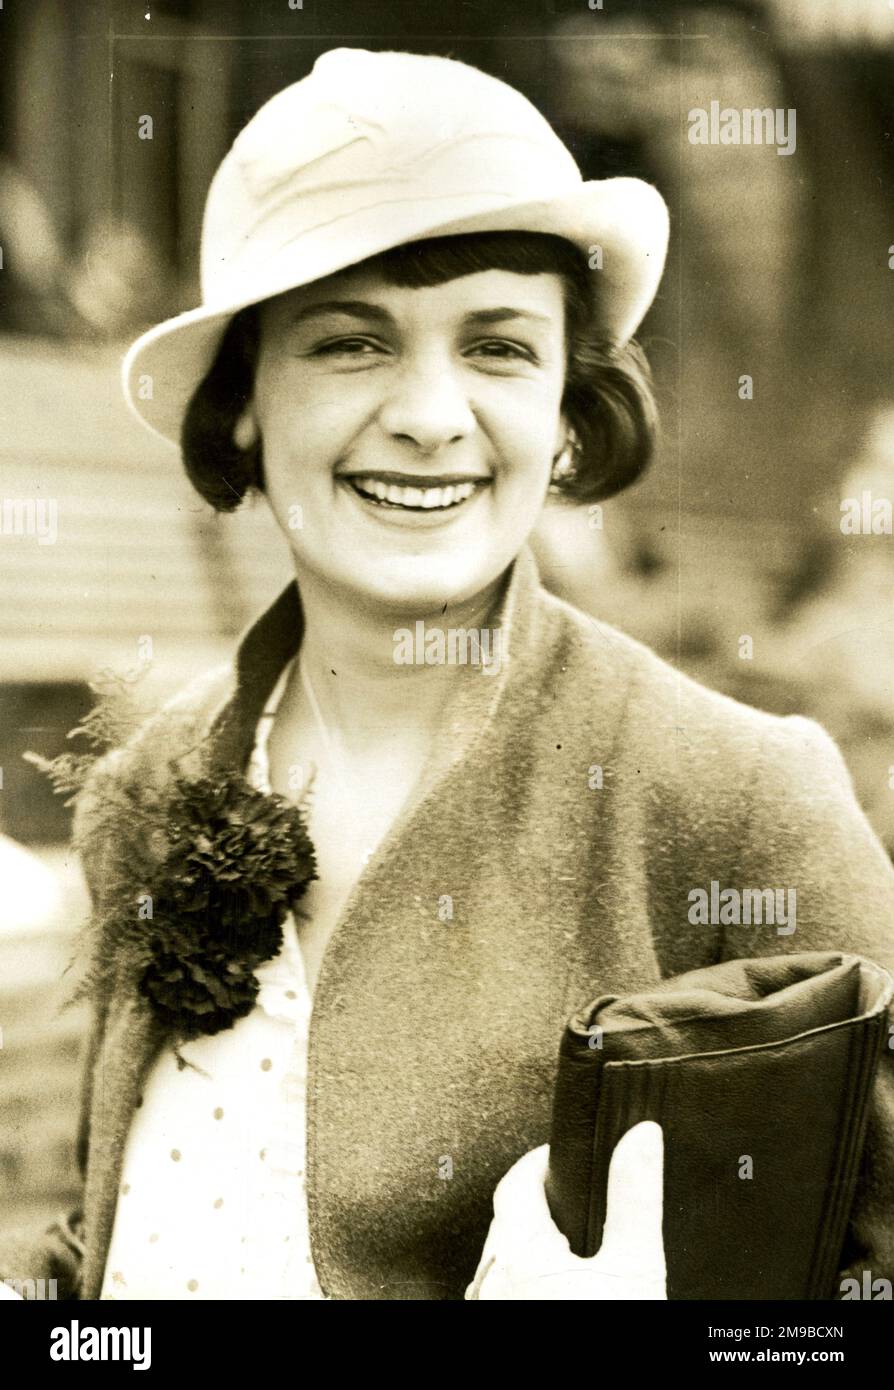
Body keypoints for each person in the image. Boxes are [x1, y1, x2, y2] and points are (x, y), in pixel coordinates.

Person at [2, 46, 893, 1302]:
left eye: (498, 347)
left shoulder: (735, 797)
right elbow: (105, 1245)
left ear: (570, 411)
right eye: (353, 343)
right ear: (243, 395)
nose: (430, 413)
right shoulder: (147, 788)